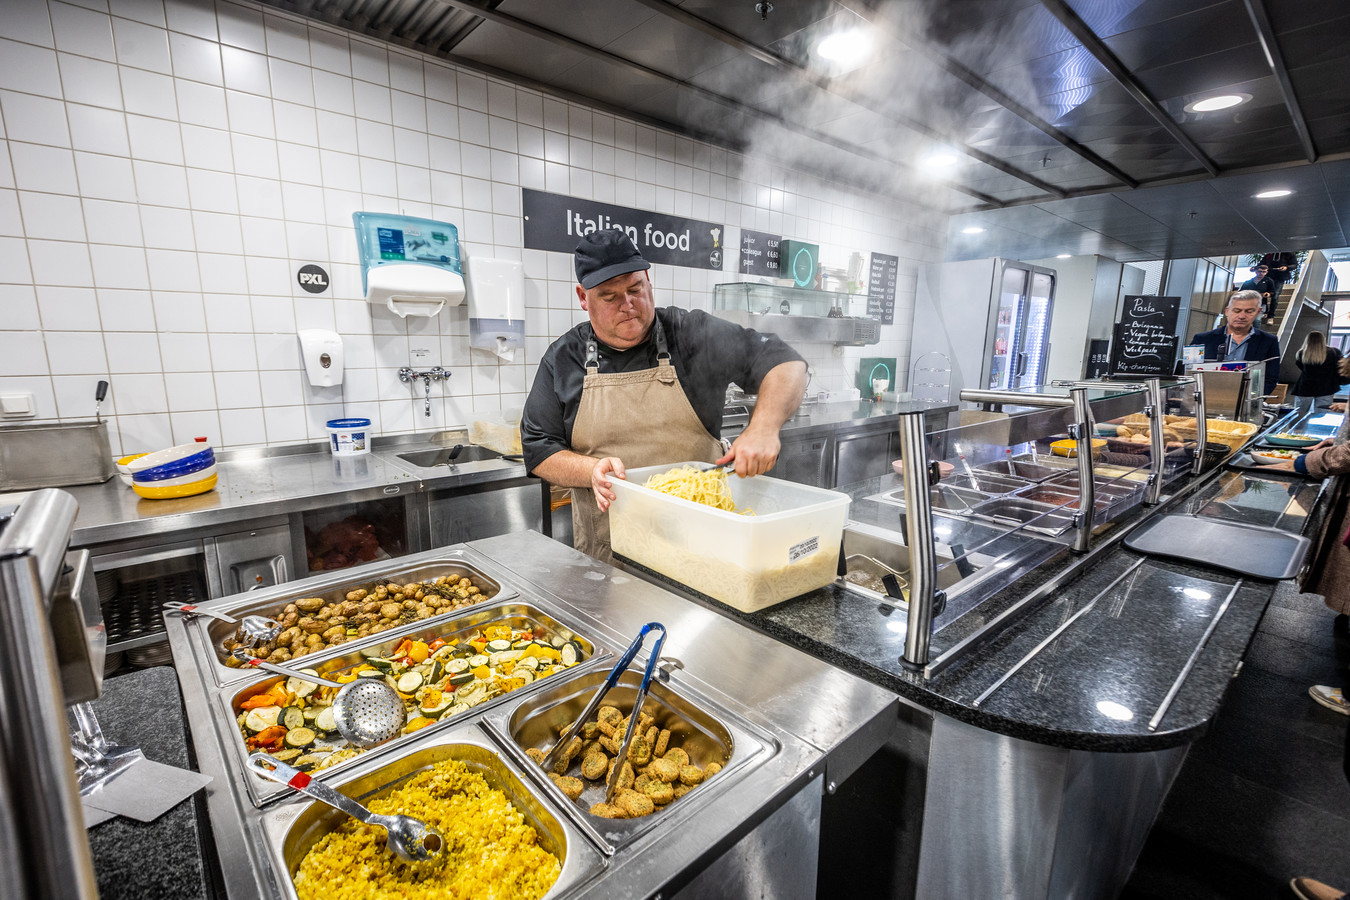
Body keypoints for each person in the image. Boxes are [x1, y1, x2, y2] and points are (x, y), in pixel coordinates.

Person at [521, 229, 808, 562]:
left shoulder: (691, 334)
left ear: (649, 281)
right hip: (610, 558)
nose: (627, 305)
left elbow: (786, 363)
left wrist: (763, 428)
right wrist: (590, 471)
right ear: (583, 298)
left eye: (635, 289)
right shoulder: (563, 359)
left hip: (703, 550)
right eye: (609, 297)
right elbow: (538, 449)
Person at [1189, 289, 1282, 389]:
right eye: (1237, 311)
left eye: (1249, 311)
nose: (1241, 316)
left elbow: (1270, 379)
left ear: (1258, 312)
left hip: (1247, 397)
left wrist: (1249, 397)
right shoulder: (1202, 339)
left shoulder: (1269, 341)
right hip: (1205, 395)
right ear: (1227, 311)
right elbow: (1188, 372)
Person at [1291, 331, 1348, 417]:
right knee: (1322, 414)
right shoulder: (1334, 352)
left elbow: (1301, 366)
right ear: (1323, 340)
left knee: (1299, 413)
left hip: (1305, 387)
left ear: (1307, 340)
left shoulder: (1301, 353)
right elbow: (1340, 367)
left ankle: (1298, 425)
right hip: (1326, 388)